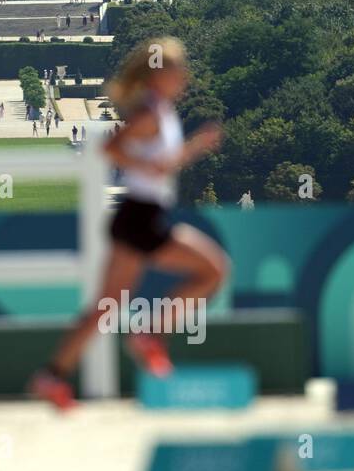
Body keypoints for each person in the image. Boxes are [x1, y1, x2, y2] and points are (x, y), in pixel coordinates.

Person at [30, 37, 228, 410]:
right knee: (214, 270)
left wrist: (197, 146)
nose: (184, 76)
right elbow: (111, 149)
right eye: (177, 70)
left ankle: (52, 375)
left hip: (136, 217)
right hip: (142, 218)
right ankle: (150, 334)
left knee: (106, 306)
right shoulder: (151, 113)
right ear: (159, 76)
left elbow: (161, 165)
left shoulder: (161, 113)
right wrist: (145, 165)